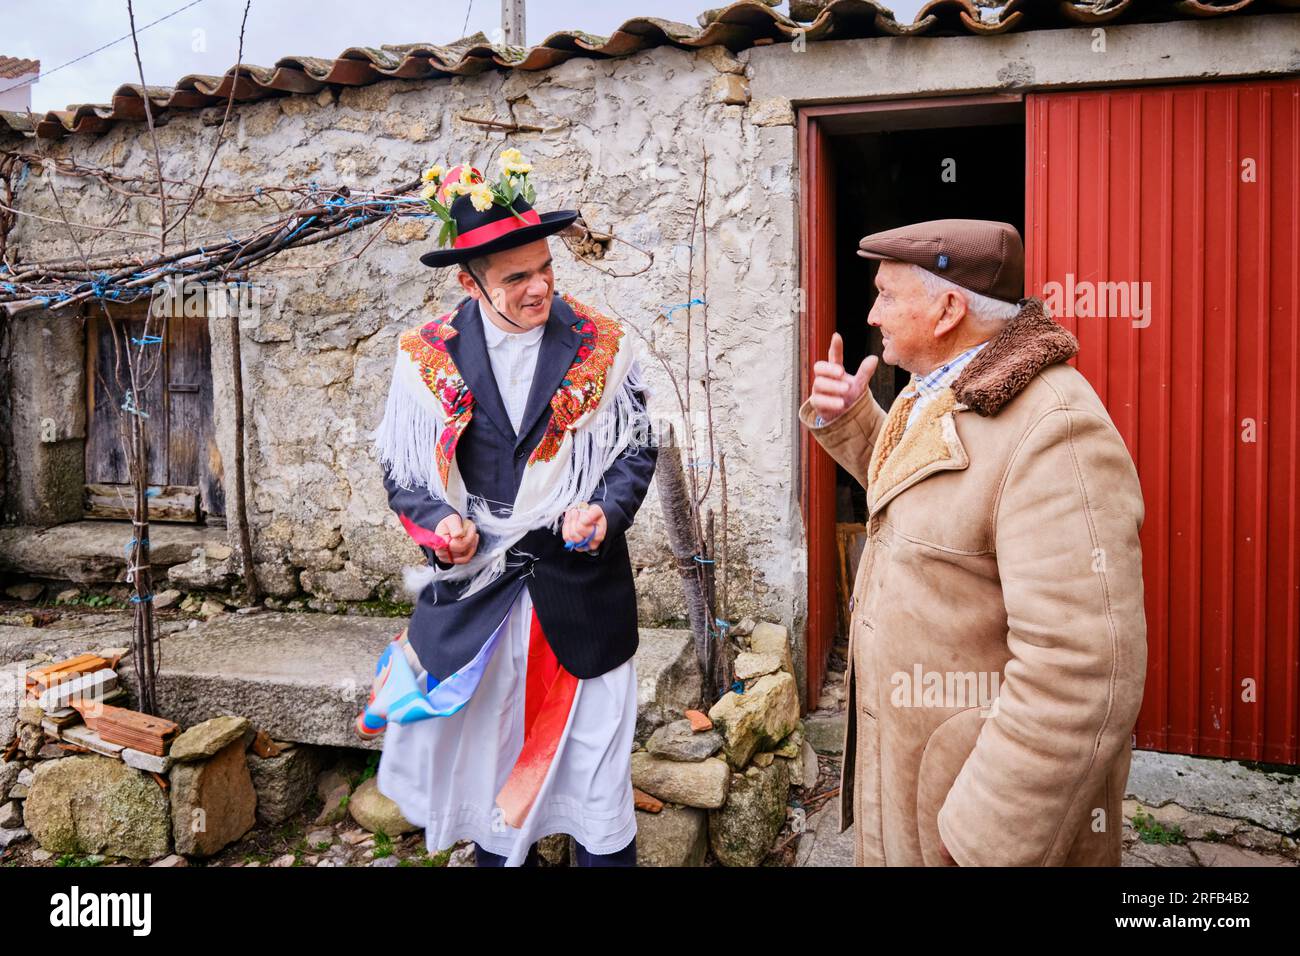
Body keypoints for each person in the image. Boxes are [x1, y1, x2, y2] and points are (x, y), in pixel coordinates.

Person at [800, 219, 1147, 866]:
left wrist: (985, 839)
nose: (872, 312)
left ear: (948, 309)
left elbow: (1082, 673)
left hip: (967, 818)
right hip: (921, 784)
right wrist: (855, 419)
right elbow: (939, 495)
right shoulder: (940, 390)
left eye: (886, 295)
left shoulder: (1056, 431)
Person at [355, 154, 657, 866]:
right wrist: (442, 531)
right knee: (493, 777)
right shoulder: (426, 357)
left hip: (580, 594)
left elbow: (637, 450)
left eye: (544, 267)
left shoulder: (602, 346)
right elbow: (403, 472)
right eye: (516, 277)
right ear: (470, 282)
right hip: (478, 596)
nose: (540, 286)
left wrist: (604, 514)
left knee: (596, 779)